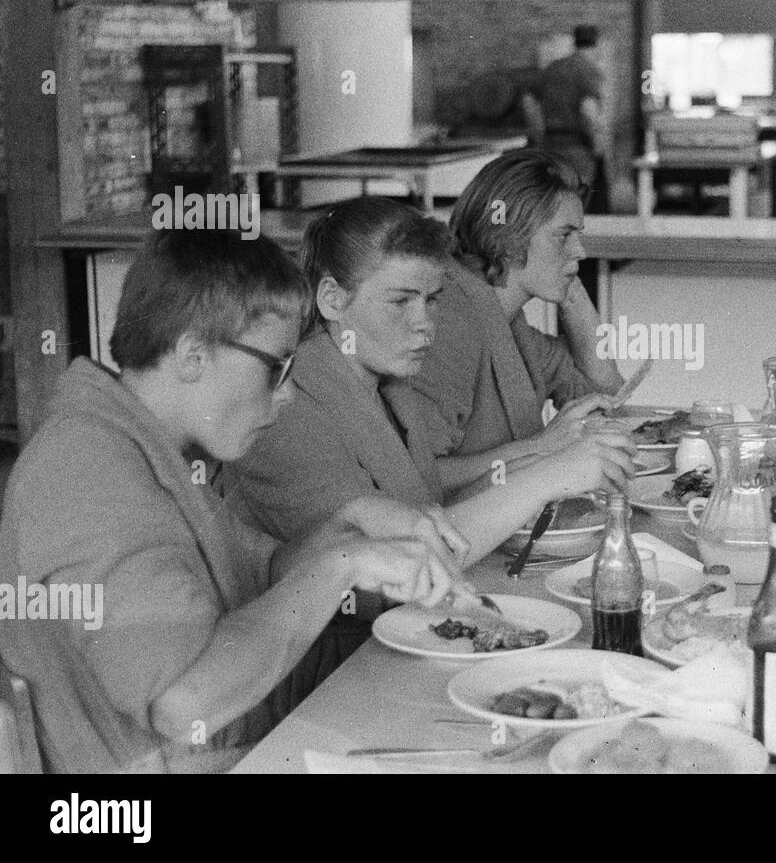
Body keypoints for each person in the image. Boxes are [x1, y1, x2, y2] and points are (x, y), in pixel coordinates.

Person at [0, 229, 460, 773]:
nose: (286, 393)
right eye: (275, 367)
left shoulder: (145, 441)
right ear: (193, 353)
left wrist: (350, 521)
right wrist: (344, 566)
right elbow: (185, 704)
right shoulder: (85, 475)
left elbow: (263, 574)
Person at [217, 197, 635, 690]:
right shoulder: (285, 412)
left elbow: (430, 508)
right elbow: (399, 561)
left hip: (383, 654)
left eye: (432, 299)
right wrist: (550, 474)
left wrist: (554, 461)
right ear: (331, 299)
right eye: (400, 301)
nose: (425, 323)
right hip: (310, 683)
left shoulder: (388, 388)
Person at [388, 150, 625, 488]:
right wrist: (539, 448)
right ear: (510, 235)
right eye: (564, 236)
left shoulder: (510, 322)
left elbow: (606, 400)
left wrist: (575, 299)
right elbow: (416, 477)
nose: (581, 251)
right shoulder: (449, 321)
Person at [521, 24, 607, 207]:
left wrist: (538, 133)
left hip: (550, 146)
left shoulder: (553, 67)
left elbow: (528, 100)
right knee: (576, 208)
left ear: (574, 43)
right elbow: (587, 111)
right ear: (596, 45)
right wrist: (596, 144)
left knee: (552, 206)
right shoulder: (588, 70)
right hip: (578, 149)